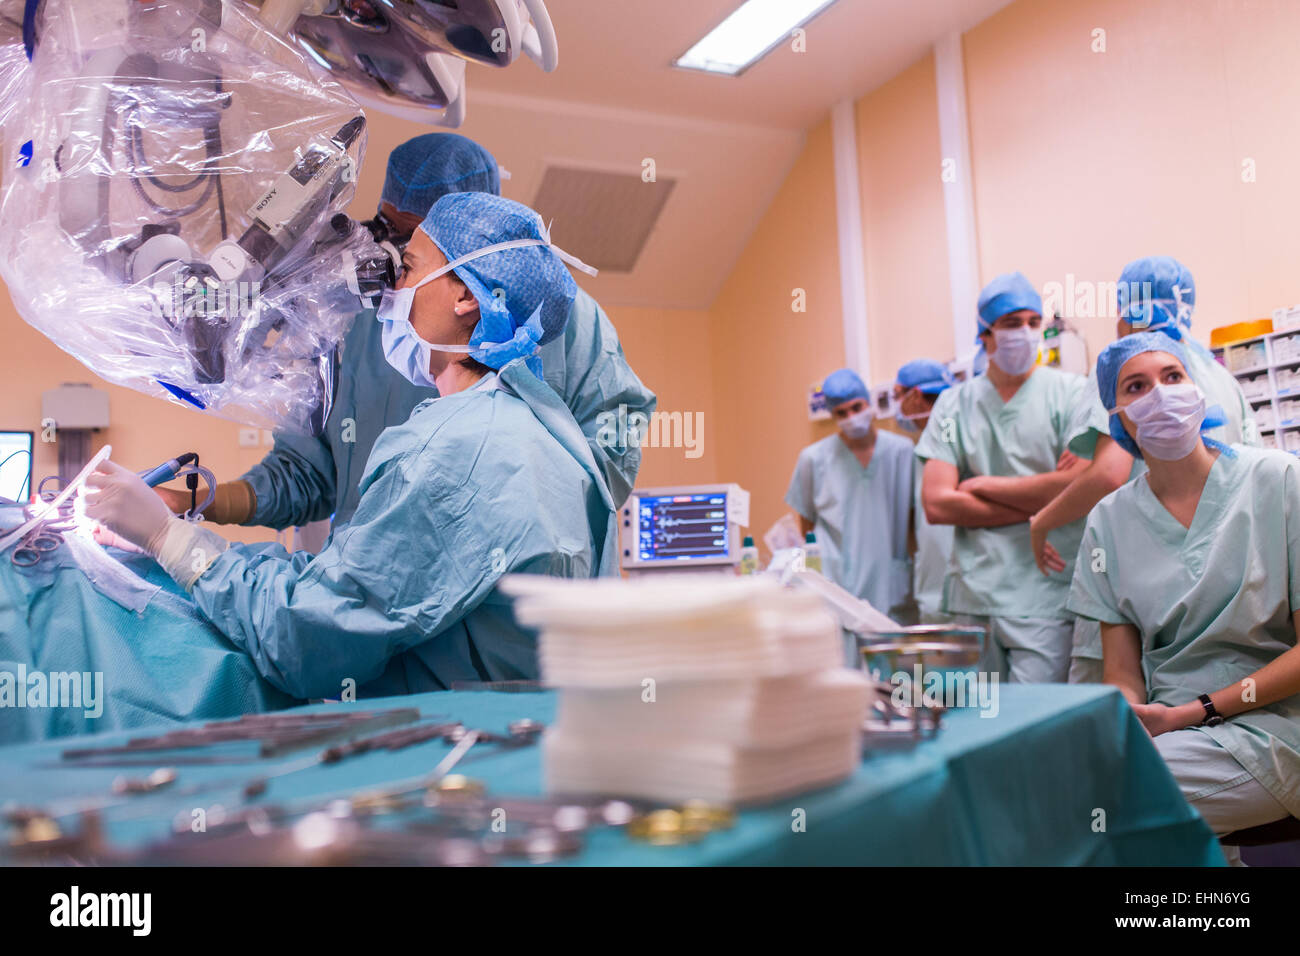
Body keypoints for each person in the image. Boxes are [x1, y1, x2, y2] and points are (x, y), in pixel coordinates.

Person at [86, 193, 617, 701]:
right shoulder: (550, 434)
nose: (390, 289)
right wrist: (194, 510)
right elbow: (355, 581)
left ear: (465, 298)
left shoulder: (454, 452)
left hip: (452, 760)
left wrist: (167, 540)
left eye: (406, 268)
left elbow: (308, 634)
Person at [160, 133, 655, 532]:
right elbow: (309, 474)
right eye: (387, 230)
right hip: (373, 601)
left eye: (417, 247)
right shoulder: (350, 317)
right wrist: (200, 501)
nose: (394, 260)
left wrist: (502, 527)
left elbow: (608, 451)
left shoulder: (561, 319)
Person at [1067, 331, 1300, 850]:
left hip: (1277, 726)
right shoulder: (1109, 520)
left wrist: (1194, 712)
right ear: (1116, 417)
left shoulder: (1280, 481)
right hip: (1171, 733)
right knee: (1057, 782)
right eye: (1136, 386)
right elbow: (1123, 674)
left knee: (1107, 808)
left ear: (1197, 388)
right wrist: (1129, 725)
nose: (1161, 393)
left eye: (1173, 377)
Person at [1030, 256, 1260, 682]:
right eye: (1140, 388)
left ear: (1123, 315)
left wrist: (1041, 522)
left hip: (1134, 592)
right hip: (1220, 599)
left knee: (1110, 721)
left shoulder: (1125, 365)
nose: (1159, 390)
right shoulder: (1217, 375)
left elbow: (1107, 475)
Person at [914, 272, 1090, 683]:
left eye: (1033, 322)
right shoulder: (953, 404)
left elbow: (1083, 486)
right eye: (1012, 323)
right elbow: (937, 504)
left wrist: (983, 485)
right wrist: (1046, 501)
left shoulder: (1071, 392)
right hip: (972, 595)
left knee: (1034, 727)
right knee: (976, 725)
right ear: (986, 334)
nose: (1026, 333)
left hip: (1044, 592)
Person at [785, 368, 914, 627]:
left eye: (857, 407)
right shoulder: (814, 459)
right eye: (841, 413)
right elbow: (807, 526)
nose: (851, 417)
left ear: (870, 404)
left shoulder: (902, 452)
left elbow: (913, 523)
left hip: (890, 580)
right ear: (832, 415)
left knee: (892, 657)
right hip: (838, 581)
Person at [893, 359, 955, 624]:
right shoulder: (924, 448)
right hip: (937, 592)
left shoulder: (950, 442)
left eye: (897, 396)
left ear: (915, 396)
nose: (897, 407)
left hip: (955, 593)